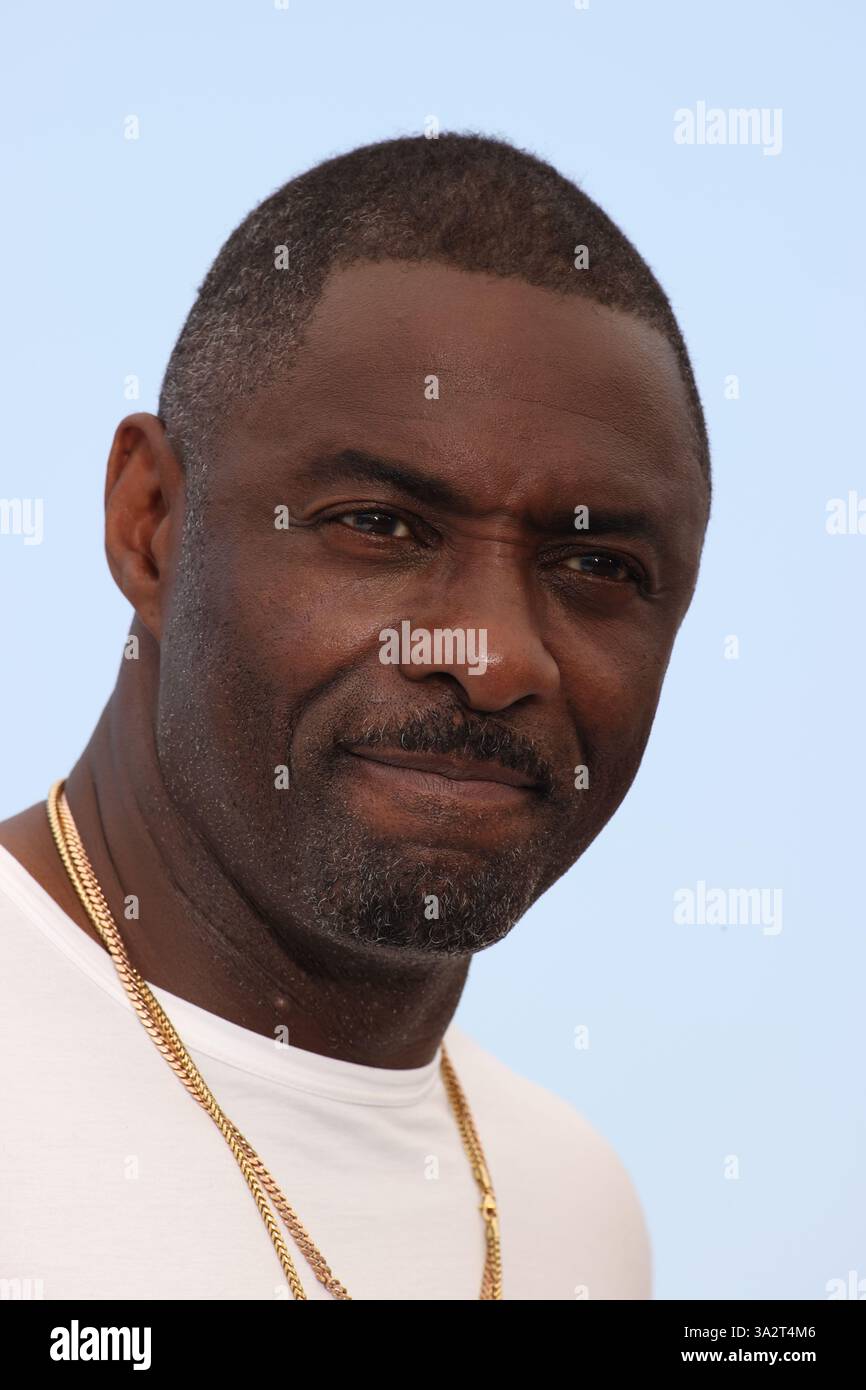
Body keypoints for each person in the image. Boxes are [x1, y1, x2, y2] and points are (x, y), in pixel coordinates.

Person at [0, 132, 710, 1300]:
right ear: (152, 523)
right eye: (378, 526)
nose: (485, 659)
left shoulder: (575, 1210)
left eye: (595, 562)